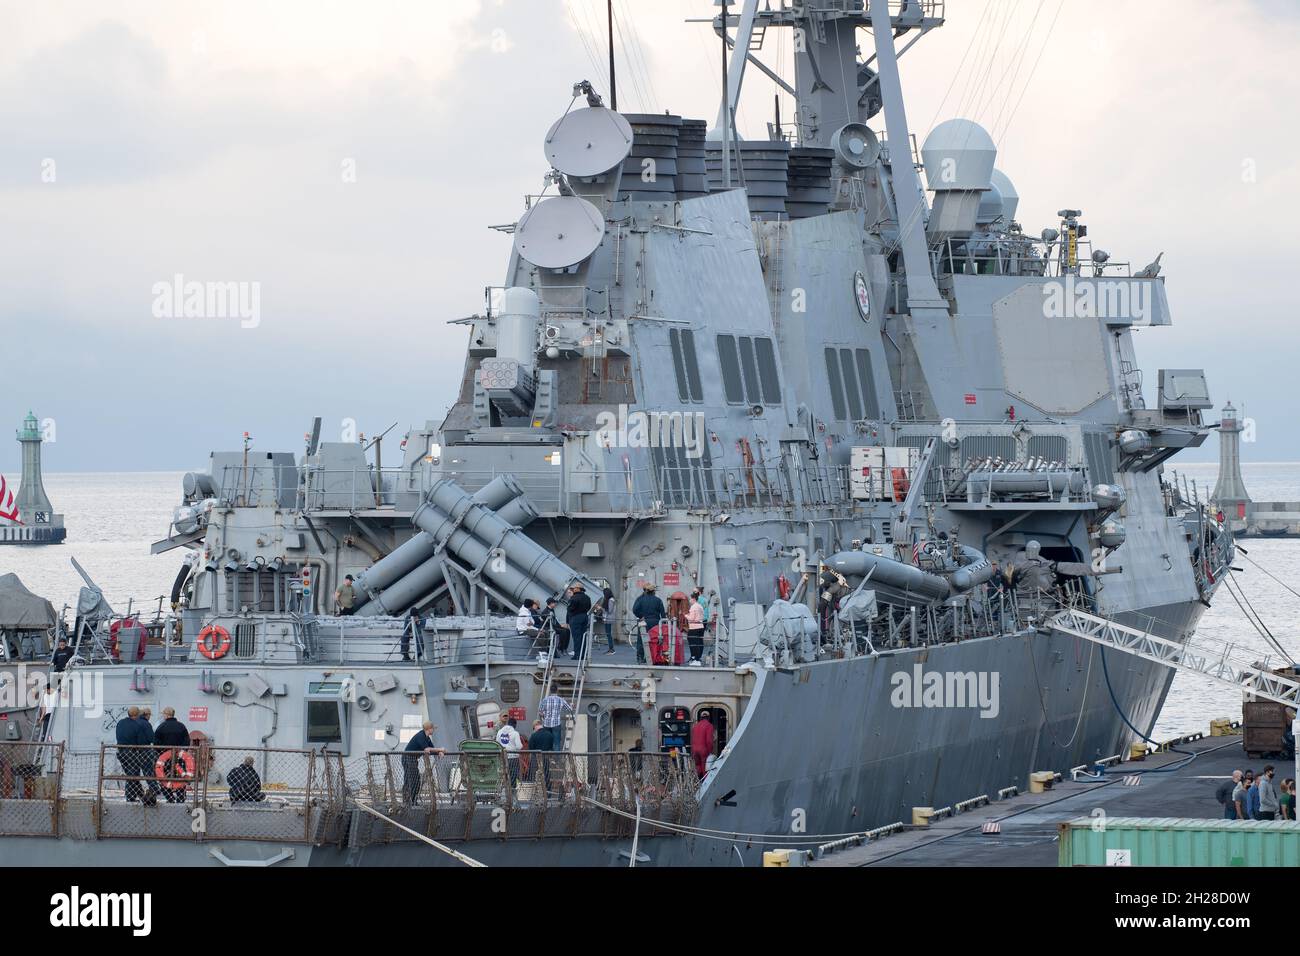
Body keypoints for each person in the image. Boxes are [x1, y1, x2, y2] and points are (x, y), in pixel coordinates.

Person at [402, 721, 444, 804]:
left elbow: (431, 749)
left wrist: (439, 752)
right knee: (412, 779)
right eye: (433, 729)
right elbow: (426, 749)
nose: (434, 730)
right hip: (408, 758)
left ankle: (412, 800)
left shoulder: (427, 738)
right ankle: (410, 801)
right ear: (429, 729)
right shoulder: (420, 736)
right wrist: (440, 749)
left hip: (413, 759)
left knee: (414, 779)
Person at [115, 707, 146, 802]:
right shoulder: (137, 725)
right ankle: (130, 797)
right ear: (137, 715)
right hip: (132, 753)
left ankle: (140, 794)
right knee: (133, 775)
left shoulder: (120, 723)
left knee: (130, 774)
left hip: (121, 752)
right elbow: (141, 742)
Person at [632, 583, 665, 665]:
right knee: (655, 640)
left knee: (641, 640)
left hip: (644, 621)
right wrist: (663, 624)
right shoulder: (658, 600)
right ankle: (654, 657)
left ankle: (640, 657)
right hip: (656, 623)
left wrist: (640, 616)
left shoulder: (640, 599)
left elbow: (634, 610)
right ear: (654, 591)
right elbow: (663, 614)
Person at [495, 716, 524, 789]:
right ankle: (513, 793)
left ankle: (506, 792)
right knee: (513, 776)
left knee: (504, 776)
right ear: (515, 725)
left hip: (503, 758)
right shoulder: (515, 733)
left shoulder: (499, 732)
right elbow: (519, 746)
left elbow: (497, 744)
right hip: (513, 758)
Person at [566, 584, 592, 662]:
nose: (573, 590)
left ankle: (577, 655)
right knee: (583, 636)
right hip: (584, 617)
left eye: (573, 589)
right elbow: (589, 607)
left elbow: (570, 609)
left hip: (575, 618)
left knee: (577, 637)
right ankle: (583, 654)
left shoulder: (574, 598)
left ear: (577, 589)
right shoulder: (587, 597)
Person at [690, 710, 715, 779]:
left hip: (695, 750)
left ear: (700, 718)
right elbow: (709, 740)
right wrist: (710, 751)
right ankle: (705, 782)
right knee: (705, 767)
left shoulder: (695, 726)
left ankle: (697, 781)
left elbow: (692, 739)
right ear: (709, 717)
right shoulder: (709, 726)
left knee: (698, 766)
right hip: (704, 750)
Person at [596, 587, 617, 655]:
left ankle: (611, 649)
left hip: (609, 619)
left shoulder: (610, 600)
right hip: (608, 618)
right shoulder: (611, 599)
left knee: (608, 634)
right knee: (608, 634)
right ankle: (611, 649)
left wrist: (600, 608)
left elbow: (609, 610)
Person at [686, 591, 706, 664]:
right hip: (701, 626)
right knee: (699, 642)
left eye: (690, 599)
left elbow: (691, 618)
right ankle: (698, 657)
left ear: (693, 599)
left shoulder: (693, 607)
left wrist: (686, 615)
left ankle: (695, 658)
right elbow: (703, 616)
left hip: (694, 627)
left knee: (693, 642)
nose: (689, 600)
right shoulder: (700, 606)